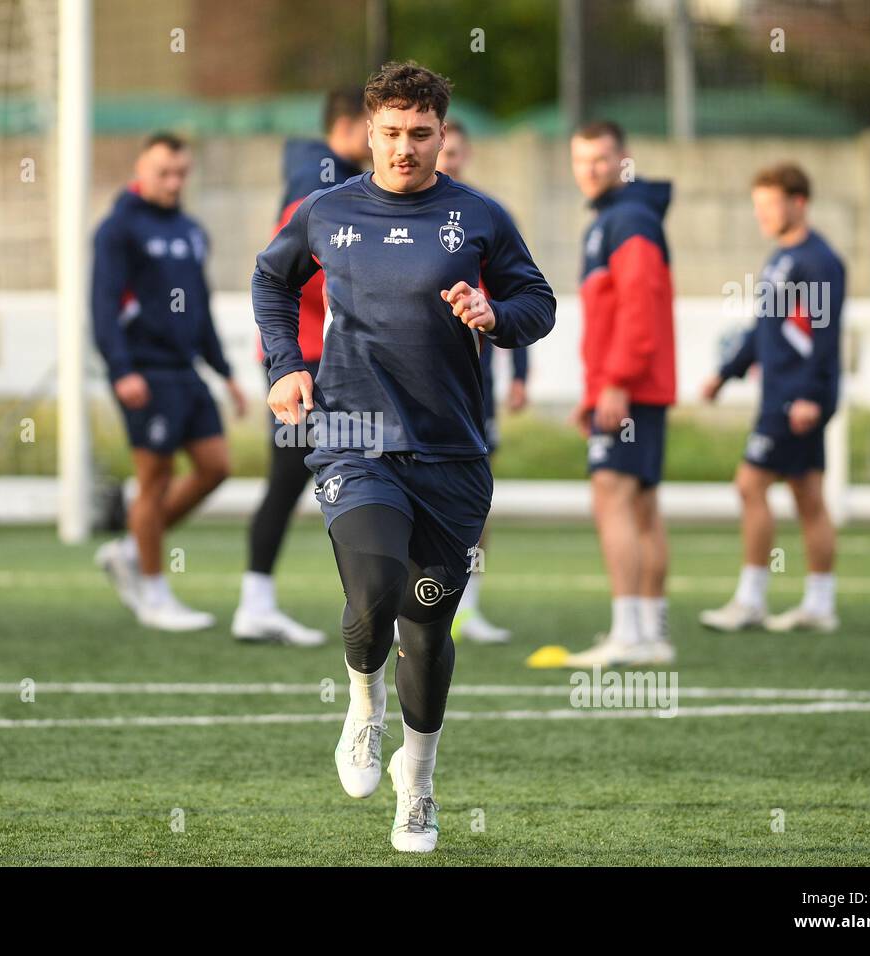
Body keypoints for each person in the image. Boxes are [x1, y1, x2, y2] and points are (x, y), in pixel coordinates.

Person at [253, 61, 555, 852]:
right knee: (376, 584)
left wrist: (494, 313)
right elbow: (269, 279)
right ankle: (363, 705)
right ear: (368, 131)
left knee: (425, 626)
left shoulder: (480, 217)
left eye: (421, 134)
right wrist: (285, 365)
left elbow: (539, 303)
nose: (405, 148)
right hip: (354, 439)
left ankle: (416, 780)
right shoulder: (326, 210)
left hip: (451, 452)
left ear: (442, 136)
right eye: (390, 133)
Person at [232, 87, 370, 648]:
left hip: (316, 359)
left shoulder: (325, 181)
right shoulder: (317, 192)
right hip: (310, 364)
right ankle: (257, 602)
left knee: (311, 481)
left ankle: (258, 601)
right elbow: (290, 278)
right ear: (348, 125)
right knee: (306, 480)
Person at [92, 133, 246, 632]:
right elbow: (103, 307)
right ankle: (155, 595)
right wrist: (121, 370)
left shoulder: (191, 231)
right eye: (165, 172)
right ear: (141, 169)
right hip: (146, 372)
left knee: (216, 467)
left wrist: (226, 373)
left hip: (187, 372)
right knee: (153, 482)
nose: (174, 182)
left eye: (182, 173)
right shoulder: (118, 229)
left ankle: (131, 550)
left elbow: (199, 309)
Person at [700, 163, 845, 633]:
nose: (761, 214)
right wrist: (725, 373)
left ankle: (751, 599)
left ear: (798, 203)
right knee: (808, 496)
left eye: (769, 205)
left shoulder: (818, 260)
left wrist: (810, 397)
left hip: (794, 400)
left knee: (750, 484)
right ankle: (819, 605)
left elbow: (824, 336)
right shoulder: (781, 258)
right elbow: (763, 328)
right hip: (782, 396)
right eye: (757, 205)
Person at [560, 120, 677, 668]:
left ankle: (629, 632)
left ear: (624, 160)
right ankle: (650, 632)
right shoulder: (619, 218)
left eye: (602, 159)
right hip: (634, 387)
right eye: (582, 161)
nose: (591, 171)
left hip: (630, 388)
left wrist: (615, 382)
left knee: (612, 495)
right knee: (643, 506)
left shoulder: (627, 219)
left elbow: (641, 305)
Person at [435, 117, 529, 644]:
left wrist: (519, 372)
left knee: (475, 493)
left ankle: (467, 605)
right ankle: (411, 600)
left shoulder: (484, 217)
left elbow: (516, 299)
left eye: (451, 151)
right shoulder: (382, 215)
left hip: (471, 384)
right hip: (401, 385)